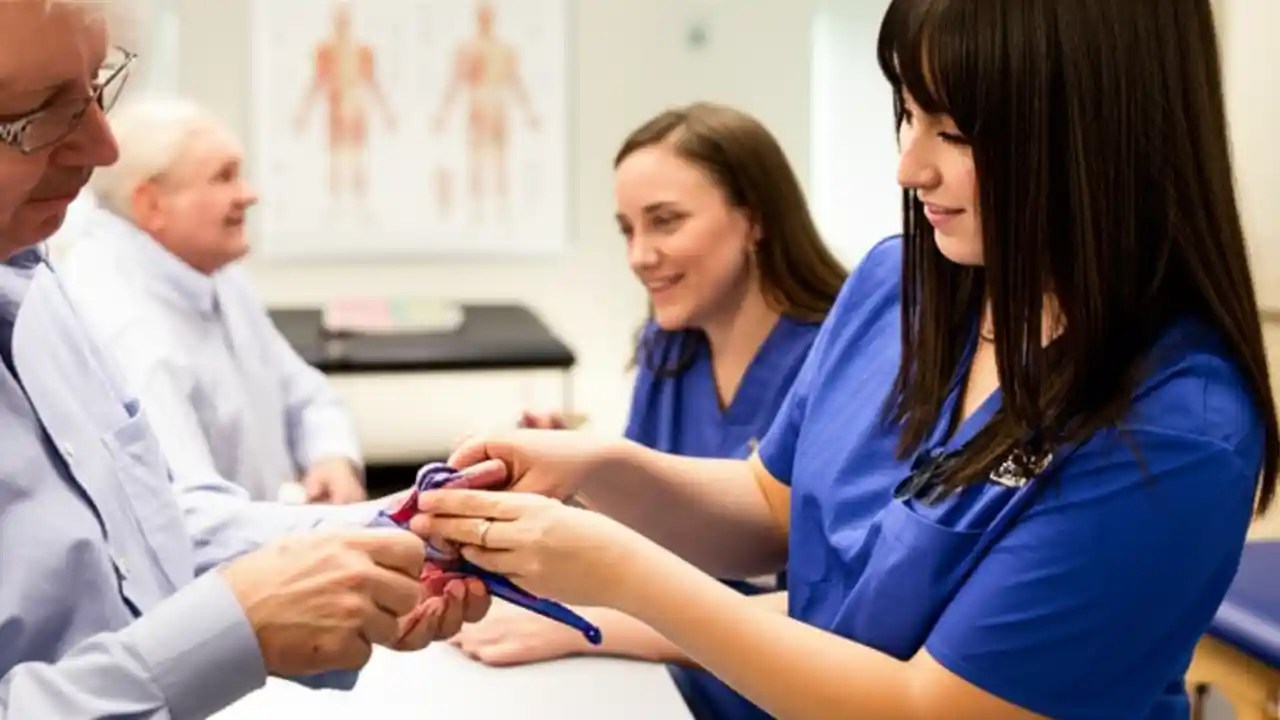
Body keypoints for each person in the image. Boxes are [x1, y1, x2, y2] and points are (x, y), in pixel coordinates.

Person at [412, 0, 1279, 717]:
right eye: (906, 113)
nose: (909, 167)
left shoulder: (1175, 428)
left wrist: (616, 574)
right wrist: (598, 468)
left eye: (956, 132)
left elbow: (925, 709)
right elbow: (771, 502)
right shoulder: (899, 284)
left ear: (1099, 130)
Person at [0, 3, 488, 717]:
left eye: (99, 87)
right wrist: (238, 630)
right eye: (40, 113)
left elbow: (144, 536)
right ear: (152, 207)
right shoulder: (124, 315)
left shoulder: (35, 283)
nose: (103, 145)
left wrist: (397, 529)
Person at [453, 103, 847, 687]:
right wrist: (576, 475)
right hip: (663, 681)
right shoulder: (669, 350)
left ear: (755, 219)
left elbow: (836, 612)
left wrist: (583, 627)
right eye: (628, 230)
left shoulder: (840, 365)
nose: (639, 255)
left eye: (665, 221)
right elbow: (652, 535)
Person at [62, 97, 367, 506]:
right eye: (224, 178)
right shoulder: (125, 326)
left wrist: (332, 457)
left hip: (267, 544)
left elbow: (307, 395)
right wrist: (346, 531)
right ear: (151, 205)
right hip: (221, 562)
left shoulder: (215, 275)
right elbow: (194, 515)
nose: (249, 195)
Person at [431, 0, 539, 221]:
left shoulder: (504, 50)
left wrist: (529, 113)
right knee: (477, 159)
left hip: (498, 107)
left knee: (500, 159)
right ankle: (477, 208)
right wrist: (443, 113)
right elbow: (456, 82)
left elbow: (516, 82)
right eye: (482, 15)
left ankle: (501, 207)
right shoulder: (468, 49)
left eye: (488, 15)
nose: (485, 20)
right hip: (478, 107)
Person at [294, 1, 395, 205]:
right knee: (336, 158)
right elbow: (317, 82)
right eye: (339, 21)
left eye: (345, 21)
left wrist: (386, 112)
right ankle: (336, 203)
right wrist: (303, 112)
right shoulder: (326, 51)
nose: (342, 25)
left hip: (356, 107)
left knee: (358, 157)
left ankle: (360, 202)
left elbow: (372, 83)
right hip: (336, 107)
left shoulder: (362, 51)